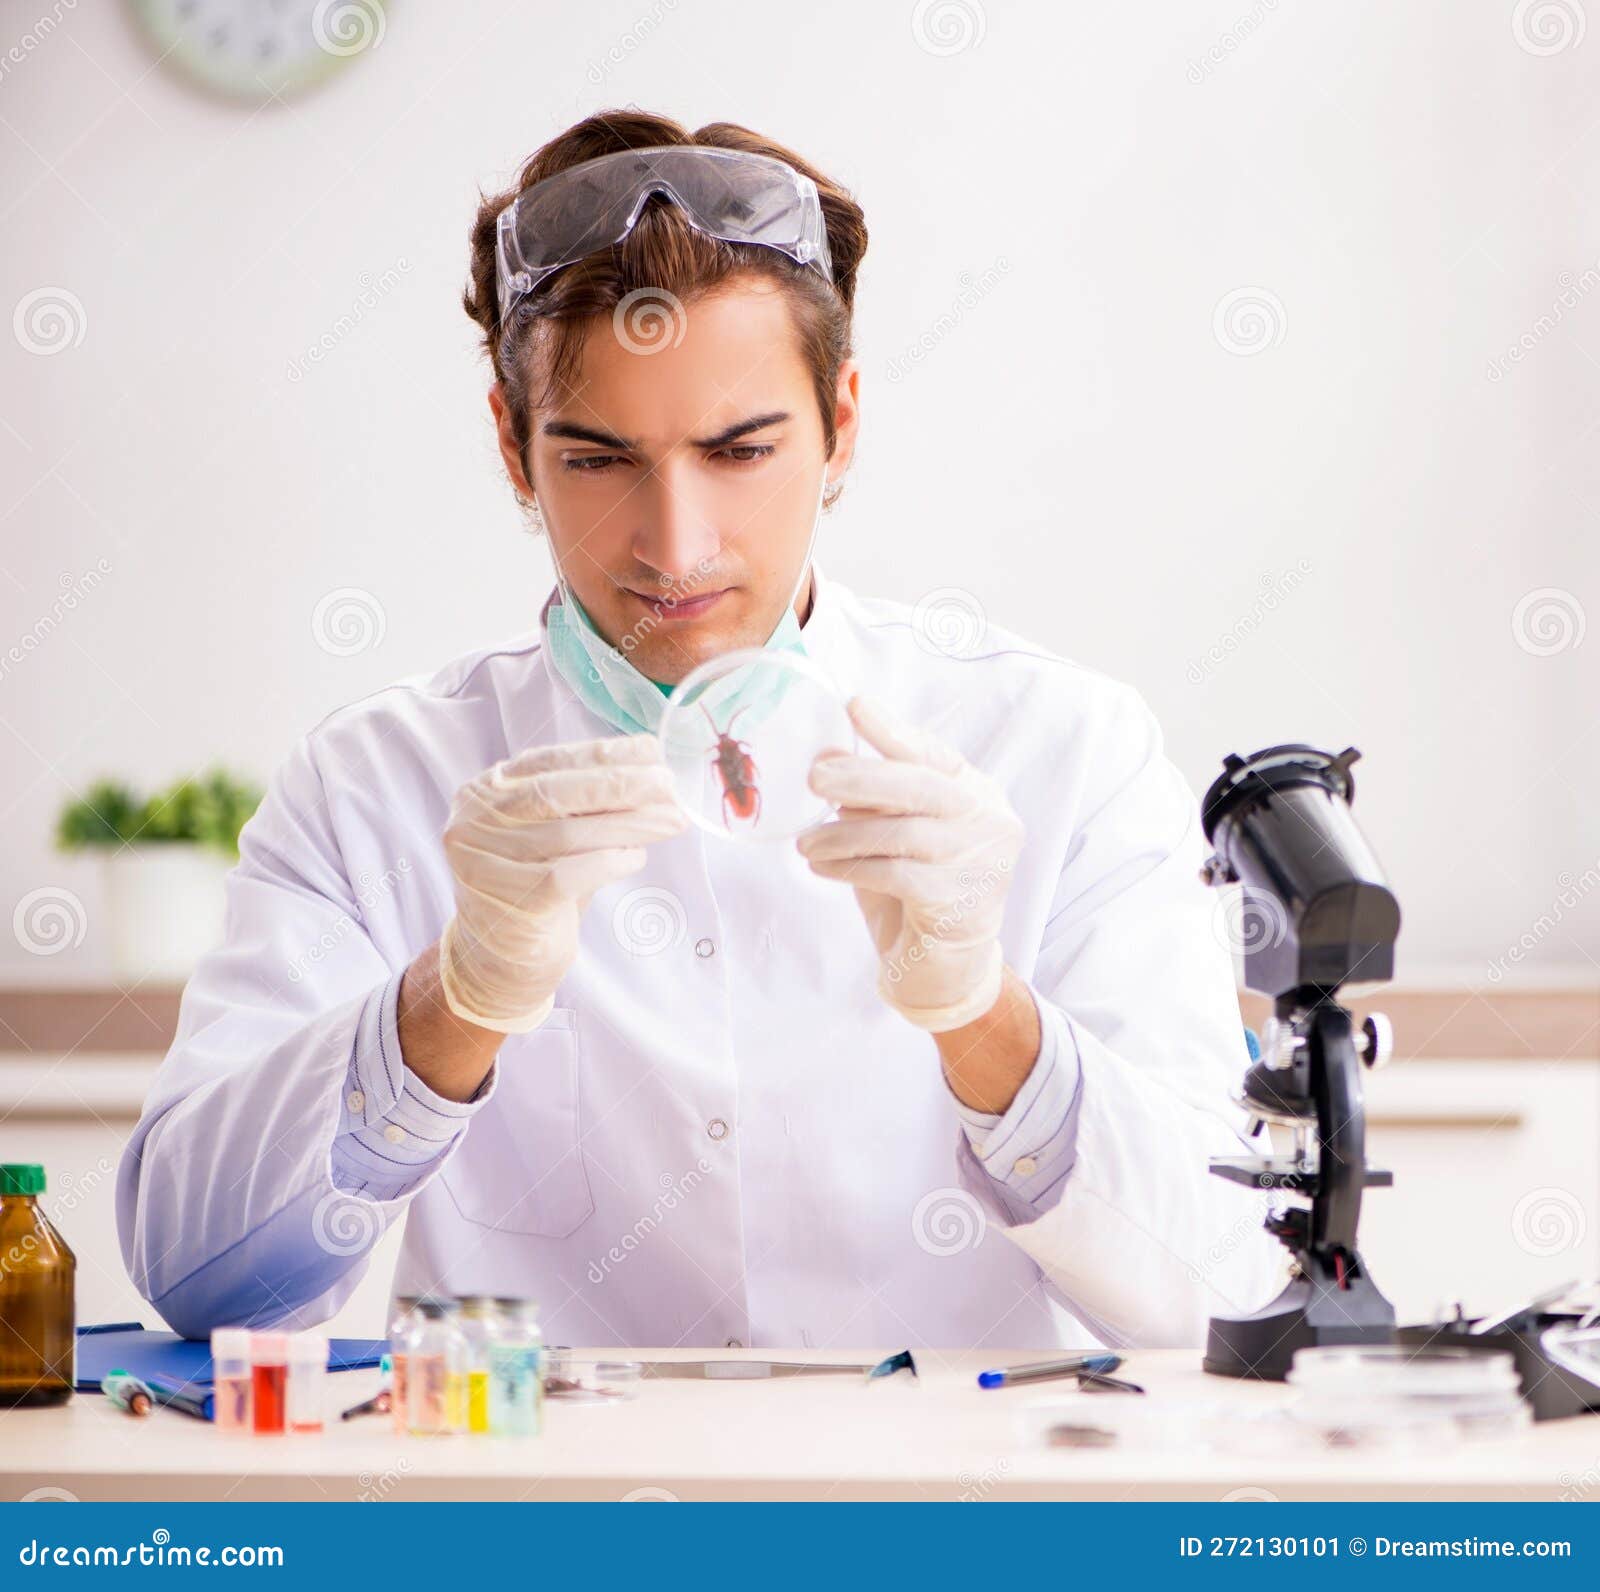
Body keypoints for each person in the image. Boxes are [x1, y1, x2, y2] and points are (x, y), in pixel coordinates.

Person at [117, 110, 1287, 1351]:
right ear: (513, 445)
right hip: (535, 1482)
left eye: (738, 450)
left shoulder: (1062, 749)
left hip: (939, 1482)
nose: (674, 547)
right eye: (598, 459)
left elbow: (1220, 1291)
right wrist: (447, 1007)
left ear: (841, 423)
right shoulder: (372, 784)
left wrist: (984, 1014)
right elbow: (196, 1277)